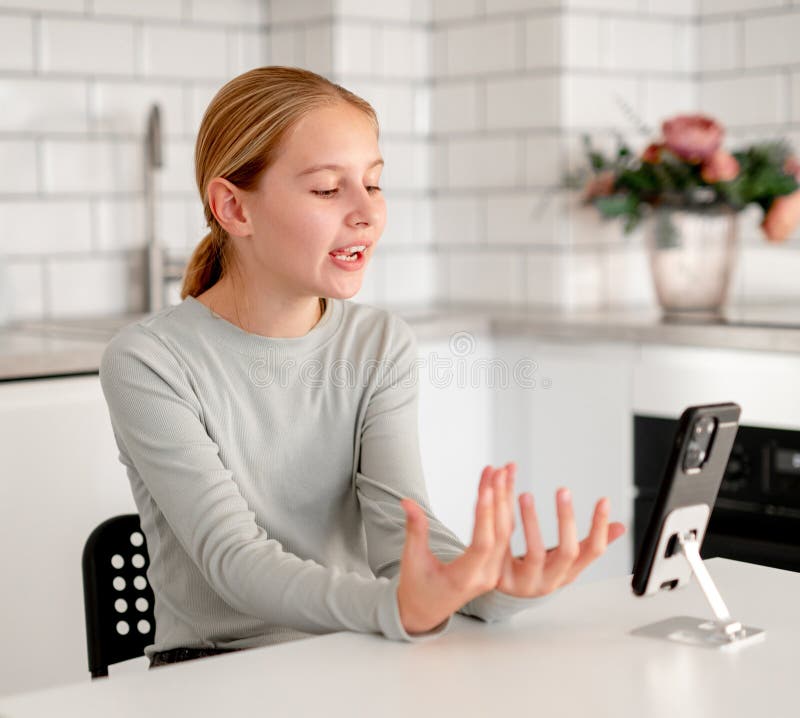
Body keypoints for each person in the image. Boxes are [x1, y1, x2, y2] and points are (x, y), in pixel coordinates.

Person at [99, 66, 625, 668]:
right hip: (213, 670)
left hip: (351, 653)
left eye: (373, 185)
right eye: (328, 190)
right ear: (233, 209)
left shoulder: (378, 343)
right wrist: (396, 609)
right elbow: (234, 560)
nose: (367, 213)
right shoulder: (150, 361)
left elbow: (403, 532)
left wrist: (495, 585)